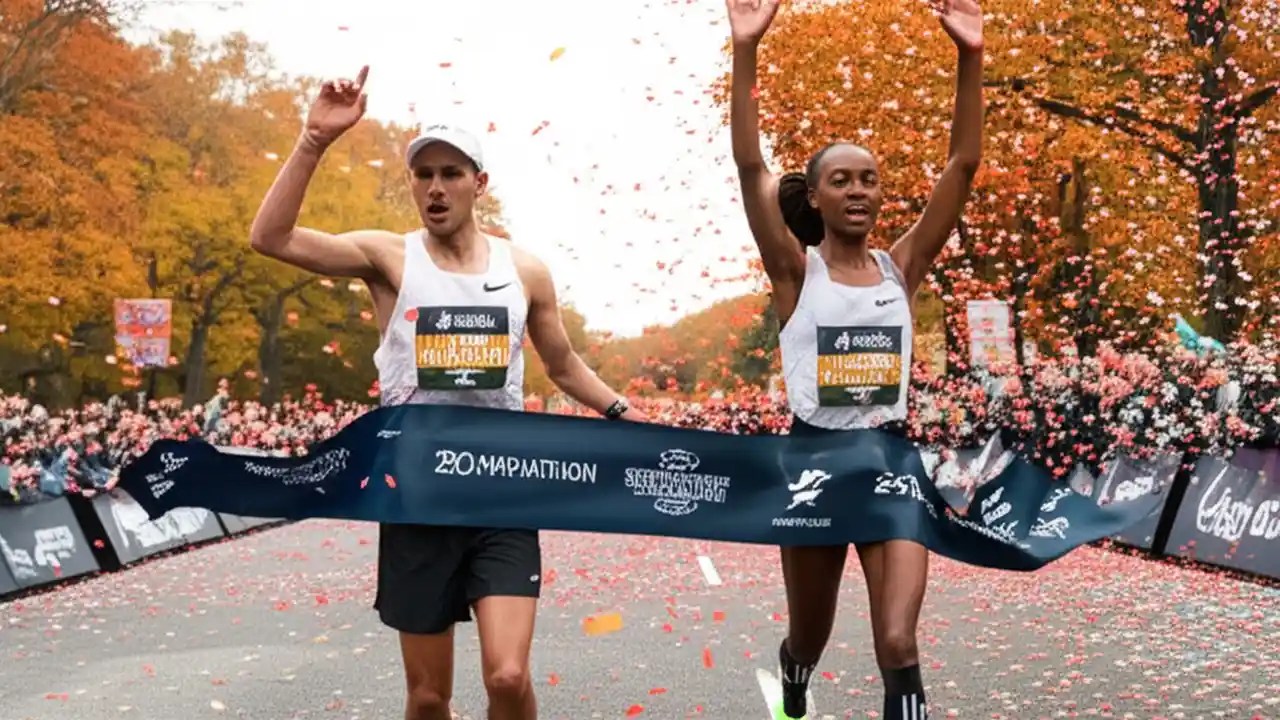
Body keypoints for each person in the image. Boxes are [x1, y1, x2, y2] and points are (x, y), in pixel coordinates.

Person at [248, 65, 646, 720]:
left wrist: (625, 413)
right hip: (418, 497)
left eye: (450, 173)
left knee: (509, 677)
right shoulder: (388, 258)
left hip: (501, 490)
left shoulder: (524, 270)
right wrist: (313, 141)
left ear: (478, 184)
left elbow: (565, 364)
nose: (434, 188)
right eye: (423, 174)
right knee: (429, 698)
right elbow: (271, 239)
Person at [725, 1, 984, 718]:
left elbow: (962, 166)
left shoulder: (902, 269)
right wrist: (745, 48)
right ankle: (794, 671)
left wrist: (971, 55)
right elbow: (750, 165)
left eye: (869, 178)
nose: (860, 190)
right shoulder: (793, 273)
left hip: (891, 465)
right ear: (815, 197)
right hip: (811, 467)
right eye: (842, 180)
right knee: (811, 634)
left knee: (898, 643)